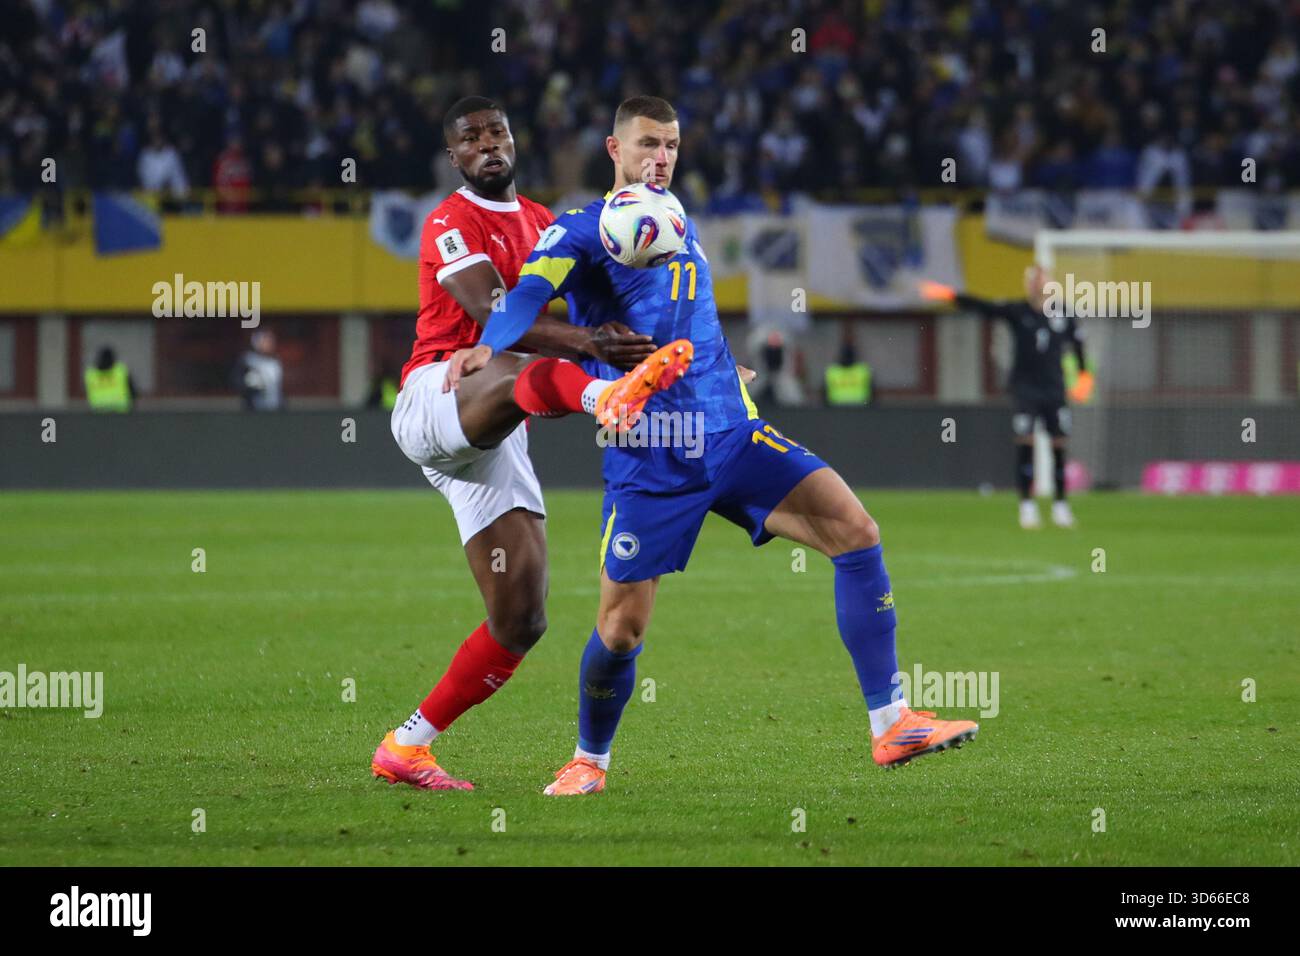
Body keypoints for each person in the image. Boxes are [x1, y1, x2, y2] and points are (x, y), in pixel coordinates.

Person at [449, 95, 978, 793]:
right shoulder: (581, 231)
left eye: (670, 145)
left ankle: (892, 723)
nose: (660, 158)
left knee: (856, 531)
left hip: (733, 434)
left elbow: (687, 312)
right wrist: (488, 345)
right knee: (620, 632)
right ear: (615, 151)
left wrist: (721, 367)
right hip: (652, 453)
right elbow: (520, 300)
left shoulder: (674, 216)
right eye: (646, 145)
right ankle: (589, 761)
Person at [371, 96, 692, 791]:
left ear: (513, 143)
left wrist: (687, 355)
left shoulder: (546, 224)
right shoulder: (449, 223)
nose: (487, 145)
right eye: (470, 139)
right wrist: (588, 352)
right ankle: (601, 399)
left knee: (521, 617)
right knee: (506, 354)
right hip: (439, 396)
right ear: (454, 156)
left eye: (497, 133)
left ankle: (407, 745)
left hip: (497, 430)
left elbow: (601, 316)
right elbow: (494, 311)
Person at [923, 268, 1093, 529]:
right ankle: (1027, 505)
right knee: (1026, 443)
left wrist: (1084, 376)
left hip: (1055, 389)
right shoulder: (1018, 311)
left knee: (1058, 445)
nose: (1038, 284)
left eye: (1042, 279)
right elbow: (985, 308)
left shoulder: (1064, 312)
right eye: (1034, 280)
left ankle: (1061, 505)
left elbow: (1079, 344)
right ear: (1028, 285)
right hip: (1026, 389)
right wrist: (950, 295)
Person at [233, 329, 284, 411]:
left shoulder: (275, 362)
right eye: (265, 340)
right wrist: (250, 384)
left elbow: (278, 388)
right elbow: (237, 382)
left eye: (270, 340)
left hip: (275, 410)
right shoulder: (247, 360)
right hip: (255, 410)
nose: (269, 343)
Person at [84, 346, 135, 412]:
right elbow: (133, 392)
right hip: (121, 412)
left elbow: (86, 392)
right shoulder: (121, 371)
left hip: (98, 412)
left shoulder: (91, 374)